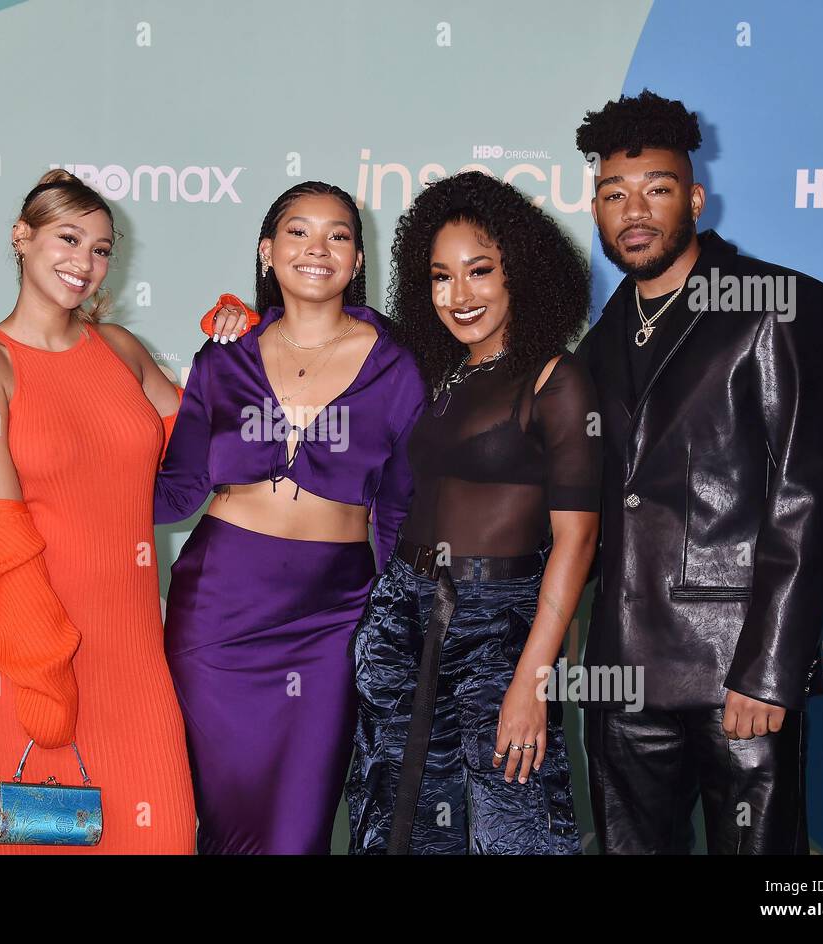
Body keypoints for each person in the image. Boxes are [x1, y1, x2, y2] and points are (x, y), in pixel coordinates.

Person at [573, 90, 823, 854]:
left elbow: (807, 496)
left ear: (693, 198)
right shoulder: (594, 347)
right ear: (594, 208)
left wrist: (769, 669)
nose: (634, 210)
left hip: (735, 671)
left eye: (657, 189)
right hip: (619, 679)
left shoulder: (779, 306)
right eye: (613, 194)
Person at [157, 181, 427, 854]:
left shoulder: (398, 367)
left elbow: (397, 514)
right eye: (298, 231)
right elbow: (180, 485)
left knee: (297, 832)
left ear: (358, 261)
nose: (318, 248)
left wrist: (415, 624)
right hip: (218, 611)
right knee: (222, 822)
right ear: (266, 250)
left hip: (331, 617)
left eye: (338, 235)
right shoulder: (225, 356)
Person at [342, 172, 600, 854]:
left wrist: (533, 680)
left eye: (480, 271)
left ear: (520, 269)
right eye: (441, 277)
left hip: (497, 627)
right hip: (403, 613)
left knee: (514, 826)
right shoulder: (439, 376)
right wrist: (246, 319)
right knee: (400, 824)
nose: (461, 295)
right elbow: (334, 329)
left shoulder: (555, 378)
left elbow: (576, 541)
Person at [0, 169, 195, 854]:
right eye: (68, 238)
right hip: (28, 647)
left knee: (164, 834)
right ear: (21, 238)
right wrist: (42, 671)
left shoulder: (117, 349)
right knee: (36, 843)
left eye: (101, 248)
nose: (83, 262)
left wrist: (244, 346)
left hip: (132, 646)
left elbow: (203, 447)